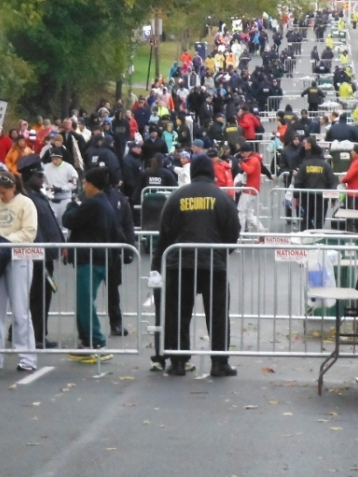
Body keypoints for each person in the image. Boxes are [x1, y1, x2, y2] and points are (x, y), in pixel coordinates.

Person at [153, 154, 242, 377]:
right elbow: (233, 230)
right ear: (211, 172)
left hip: (180, 263)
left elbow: (164, 233)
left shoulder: (177, 197)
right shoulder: (222, 198)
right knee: (218, 315)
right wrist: (222, 251)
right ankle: (219, 363)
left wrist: (158, 264)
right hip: (213, 264)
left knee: (178, 314)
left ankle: (178, 361)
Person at [0, 171, 39, 372]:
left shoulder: (26, 204)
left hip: (18, 257)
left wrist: (4, 241)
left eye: (4, 192)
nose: (0, 196)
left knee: (20, 310)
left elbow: (29, 232)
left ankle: (27, 357)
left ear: (13, 188)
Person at [62, 167, 121, 355]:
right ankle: (86, 340)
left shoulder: (92, 204)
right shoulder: (104, 204)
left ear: (93, 185)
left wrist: (72, 205)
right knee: (84, 300)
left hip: (90, 258)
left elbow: (69, 220)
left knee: (85, 302)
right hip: (98, 257)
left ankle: (96, 340)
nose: (84, 186)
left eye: (86, 182)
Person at [17, 155, 63, 349]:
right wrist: (40, 254)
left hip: (45, 254)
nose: (42, 178)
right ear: (29, 176)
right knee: (38, 296)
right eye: (38, 175)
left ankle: (32, 331)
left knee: (42, 295)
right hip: (36, 256)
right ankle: (36, 335)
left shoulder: (37, 195)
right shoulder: (27, 198)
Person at [103, 179, 137, 337]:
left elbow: (127, 224)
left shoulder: (119, 198)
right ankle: (86, 327)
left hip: (113, 250)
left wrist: (130, 248)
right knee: (87, 293)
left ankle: (116, 323)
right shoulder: (86, 197)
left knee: (113, 289)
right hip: (92, 250)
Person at [292, 138, 336, 230]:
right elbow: (332, 182)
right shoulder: (325, 165)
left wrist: (296, 196)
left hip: (307, 196)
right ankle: (317, 237)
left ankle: (305, 237)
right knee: (319, 220)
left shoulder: (305, 164)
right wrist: (333, 199)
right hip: (322, 197)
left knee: (306, 218)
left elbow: (298, 181)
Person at [42, 146, 80, 223]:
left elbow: (73, 183)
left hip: (65, 200)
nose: (54, 161)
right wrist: (48, 189)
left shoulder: (68, 168)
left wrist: (61, 189)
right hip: (52, 200)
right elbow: (43, 182)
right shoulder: (46, 168)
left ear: (61, 158)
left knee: (64, 223)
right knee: (52, 223)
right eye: (53, 159)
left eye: (56, 159)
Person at [236, 143, 266, 233]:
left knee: (241, 212)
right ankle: (262, 231)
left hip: (249, 190)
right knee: (249, 215)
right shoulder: (254, 159)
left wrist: (241, 163)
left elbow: (249, 171)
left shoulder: (253, 160)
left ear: (247, 152)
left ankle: (240, 236)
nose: (241, 155)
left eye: (242, 153)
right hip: (252, 190)